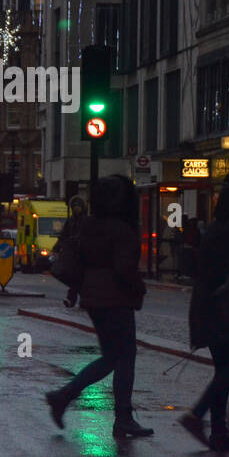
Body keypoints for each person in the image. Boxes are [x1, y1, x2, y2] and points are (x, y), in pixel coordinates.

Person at [45, 176, 152, 438]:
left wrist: (75, 291)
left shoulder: (90, 225)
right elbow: (124, 268)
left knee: (112, 356)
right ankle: (121, 417)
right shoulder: (122, 229)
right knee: (124, 357)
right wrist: (139, 288)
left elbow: (79, 261)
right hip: (115, 297)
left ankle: (65, 396)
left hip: (93, 297)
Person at [179, 182, 229, 450]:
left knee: (224, 370)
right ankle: (198, 415)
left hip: (211, 311)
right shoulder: (226, 236)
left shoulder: (216, 231)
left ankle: (218, 430)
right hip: (221, 313)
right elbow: (228, 275)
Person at [56, 196, 88, 309]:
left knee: (80, 279)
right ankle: (74, 299)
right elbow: (63, 235)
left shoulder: (86, 220)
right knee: (74, 278)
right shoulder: (70, 221)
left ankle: (75, 300)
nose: (76, 208)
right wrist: (56, 248)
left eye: (78, 206)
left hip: (83, 254)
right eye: (74, 206)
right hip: (72, 254)